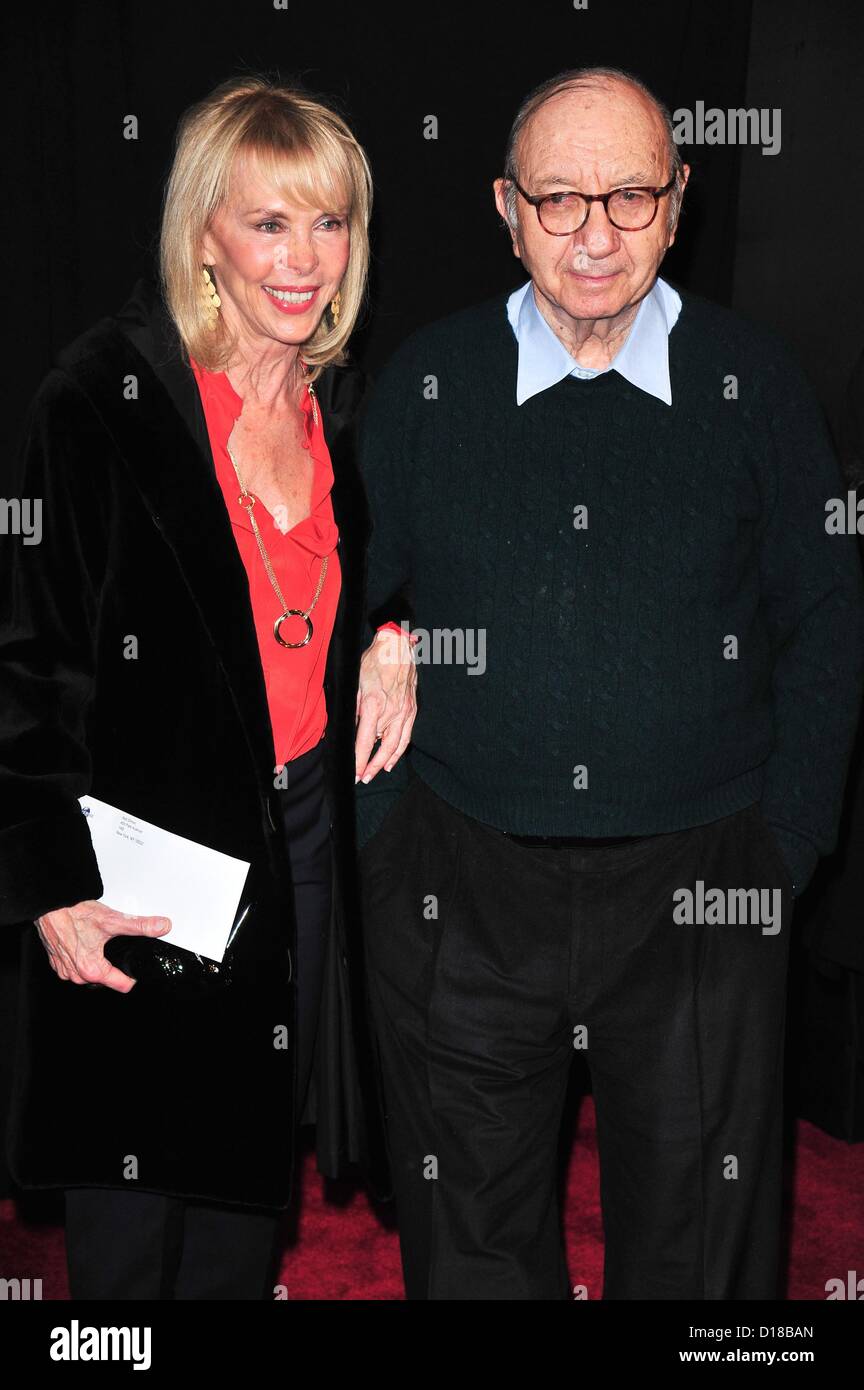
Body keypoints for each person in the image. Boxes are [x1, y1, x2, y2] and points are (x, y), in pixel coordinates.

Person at [354, 66, 864, 1299]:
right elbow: (333, 599)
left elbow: (827, 621)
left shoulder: (758, 386)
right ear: (505, 207)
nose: (596, 233)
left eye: (632, 195)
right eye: (561, 198)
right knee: (468, 1251)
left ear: (679, 204)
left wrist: (781, 851)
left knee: (704, 1269)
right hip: (462, 889)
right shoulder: (425, 385)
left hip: (702, 890)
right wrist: (388, 825)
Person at [0, 74, 391, 1299]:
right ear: (203, 234)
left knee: (240, 1210)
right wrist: (50, 885)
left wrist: (401, 632)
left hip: (302, 853)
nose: (304, 258)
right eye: (268, 223)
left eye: (327, 223)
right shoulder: (102, 402)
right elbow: (25, 660)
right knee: (128, 1238)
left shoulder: (345, 406)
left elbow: (362, 584)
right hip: (144, 874)